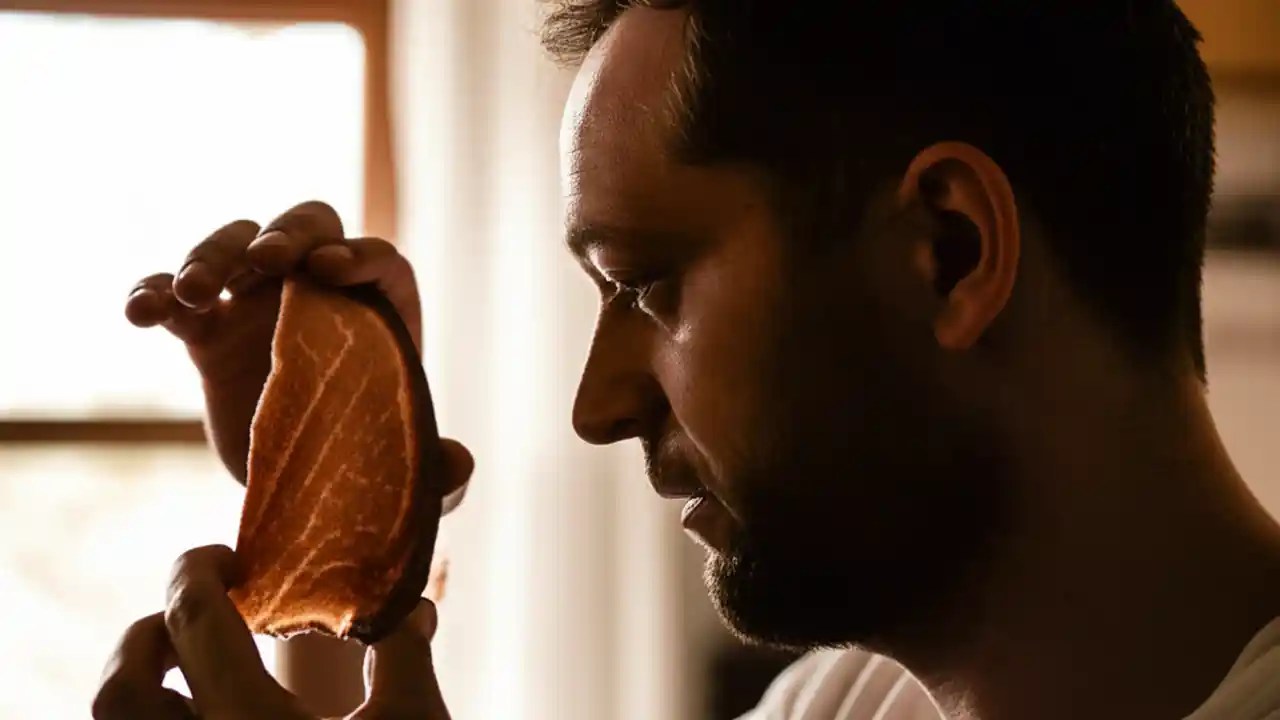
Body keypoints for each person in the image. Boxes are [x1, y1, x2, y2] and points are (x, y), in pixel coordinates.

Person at [93, 1, 1280, 719]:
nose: (597, 410)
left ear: (947, 249)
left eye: (646, 286)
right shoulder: (841, 702)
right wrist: (337, 517)